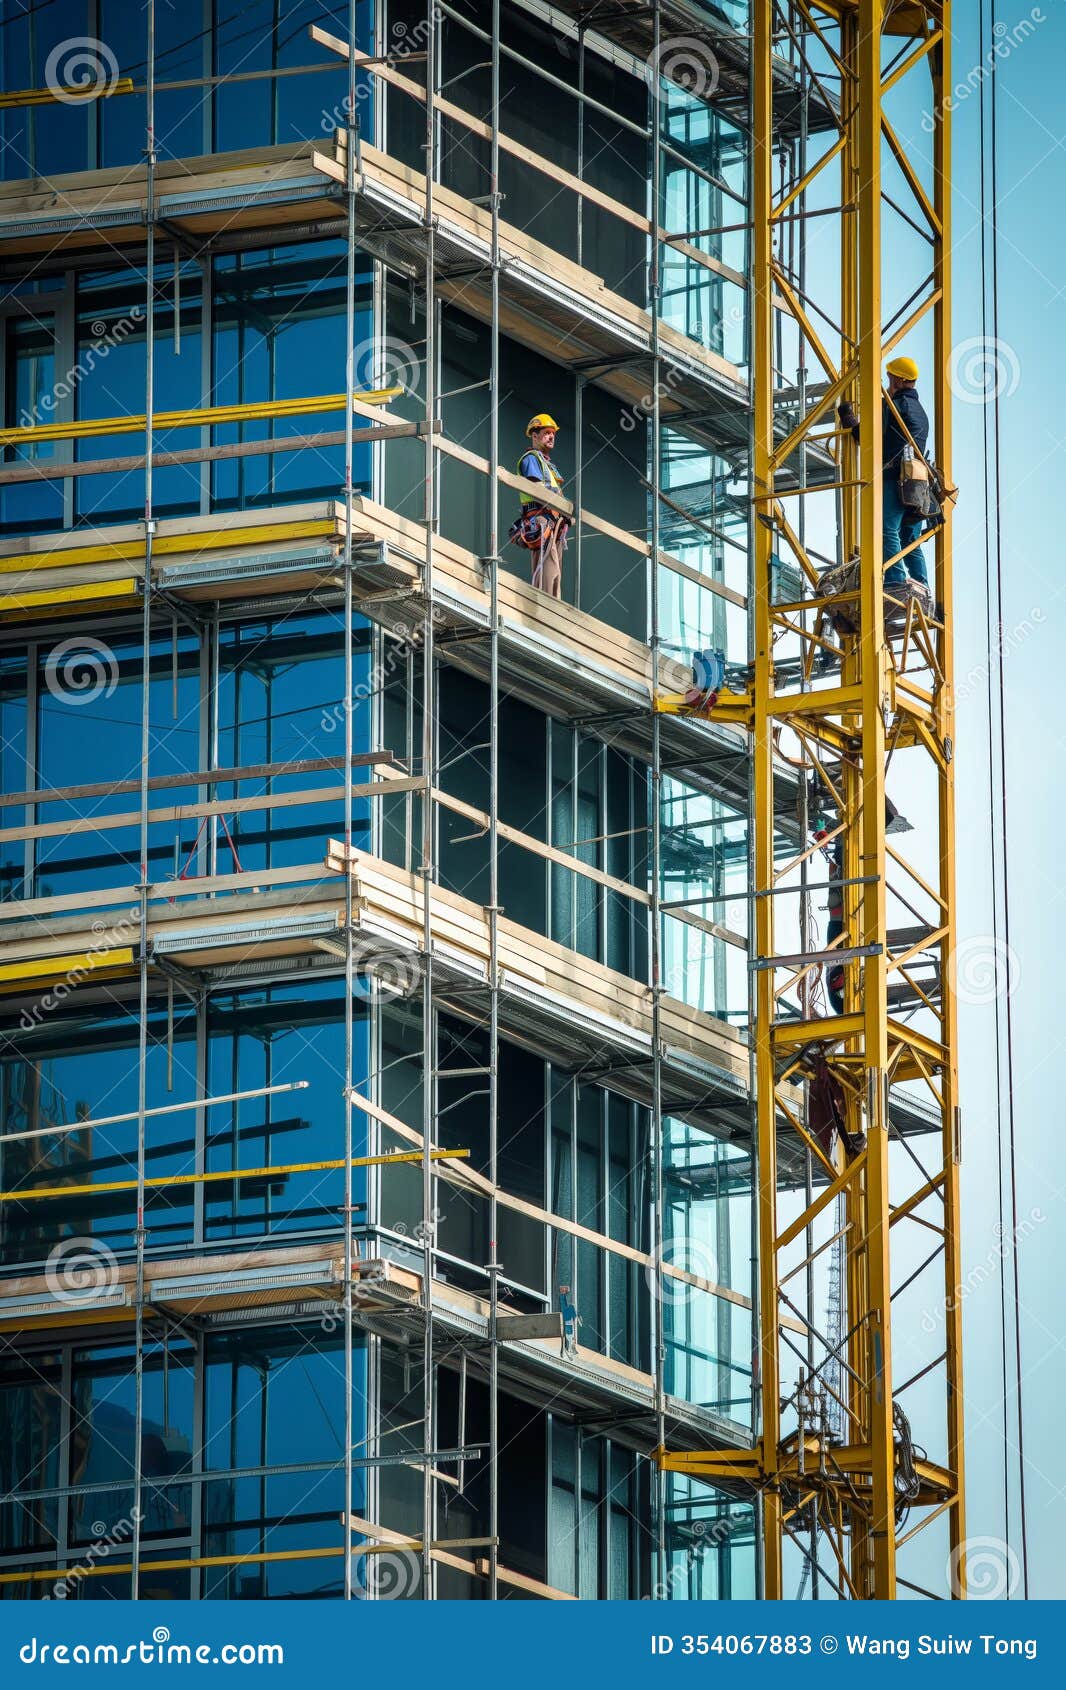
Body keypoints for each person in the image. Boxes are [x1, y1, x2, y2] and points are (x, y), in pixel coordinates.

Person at [838, 355, 930, 591]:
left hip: (895, 478)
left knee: (887, 529)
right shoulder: (920, 411)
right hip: (918, 483)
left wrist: (849, 419)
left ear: (899, 380)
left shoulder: (894, 406)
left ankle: (896, 580)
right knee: (910, 538)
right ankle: (923, 586)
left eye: (890, 378)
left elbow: (865, 436)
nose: (888, 382)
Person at [509, 412, 571, 597]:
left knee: (555, 574)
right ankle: (544, 611)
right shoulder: (531, 458)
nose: (551, 436)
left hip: (555, 524)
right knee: (547, 571)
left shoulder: (547, 464)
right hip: (543, 521)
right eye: (546, 432)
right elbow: (538, 490)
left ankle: (553, 611)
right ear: (534, 436)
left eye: (553, 433)